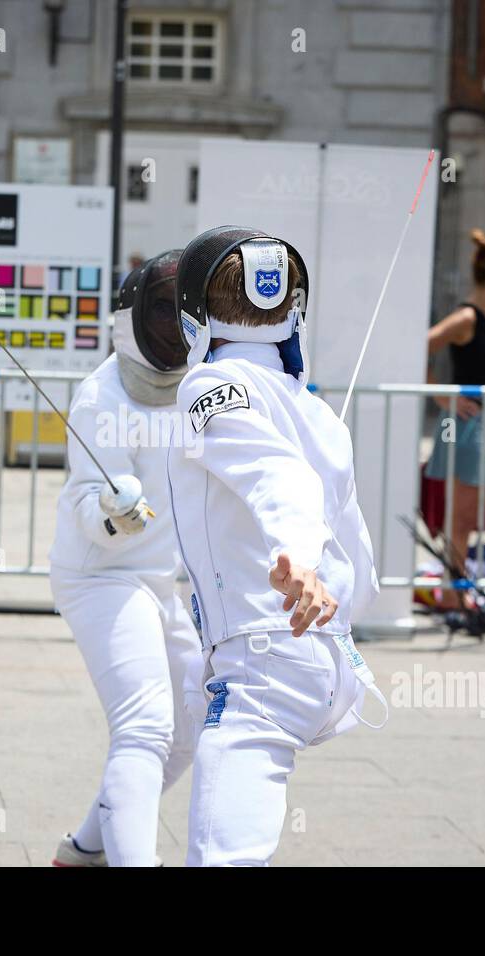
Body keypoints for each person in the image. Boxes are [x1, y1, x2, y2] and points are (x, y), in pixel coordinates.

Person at [167, 226, 386, 866]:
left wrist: (298, 557)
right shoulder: (314, 412)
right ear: (294, 313)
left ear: (193, 313)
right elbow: (360, 558)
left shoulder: (208, 387)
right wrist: (332, 602)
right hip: (311, 655)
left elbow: (276, 476)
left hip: (262, 659)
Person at [48, 250, 201, 867]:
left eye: (184, 310)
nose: (174, 324)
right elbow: (86, 500)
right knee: (144, 727)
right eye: (162, 309)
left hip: (161, 581)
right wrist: (112, 513)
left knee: (191, 725)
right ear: (132, 316)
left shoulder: (196, 388)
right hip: (100, 577)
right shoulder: (101, 398)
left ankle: (86, 849)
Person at [423, 229, 485, 600]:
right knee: (462, 516)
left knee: (472, 514)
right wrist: (444, 397)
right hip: (465, 424)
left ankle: (457, 584)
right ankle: (452, 592)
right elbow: (422, 346)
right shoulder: (466, 317)